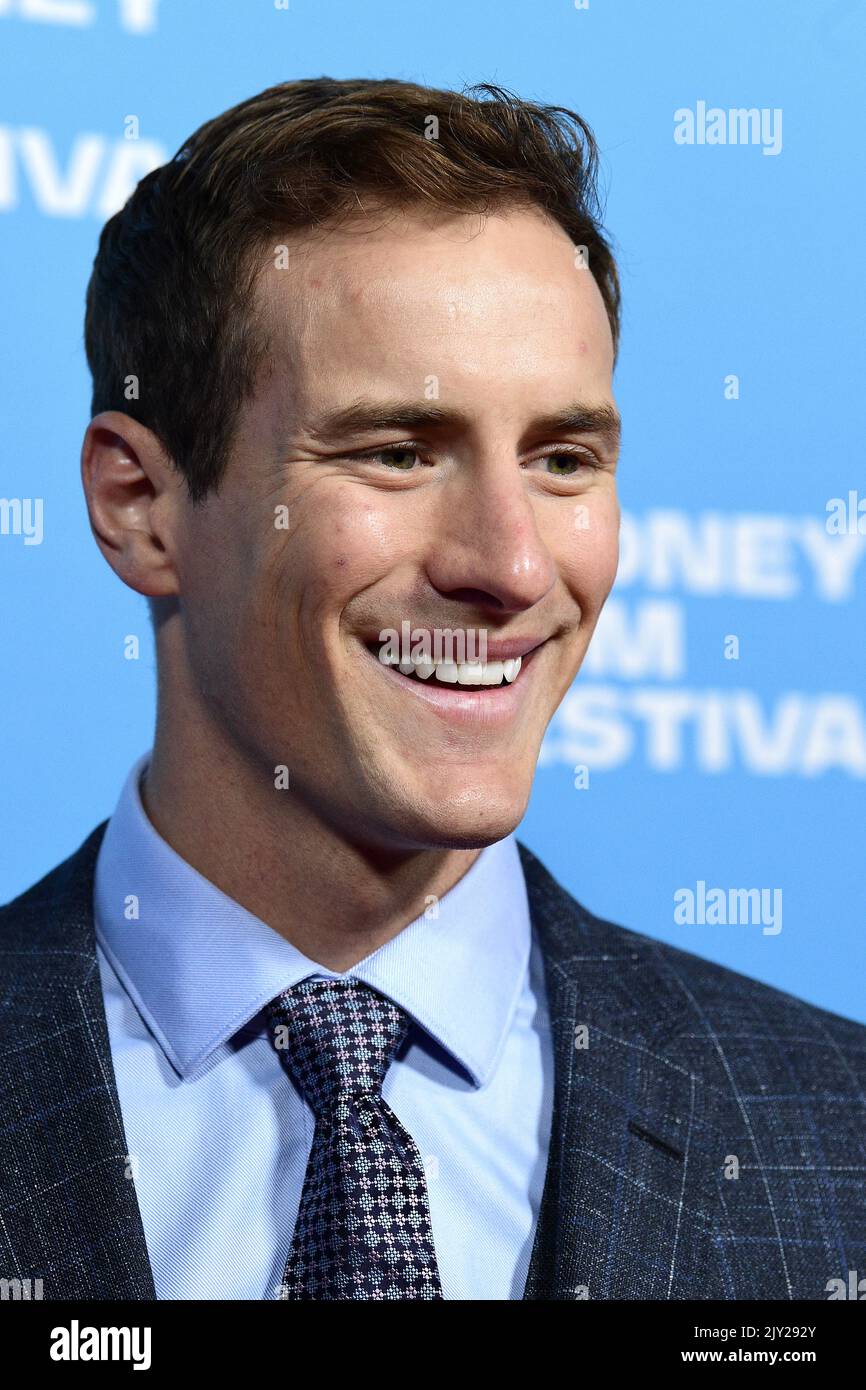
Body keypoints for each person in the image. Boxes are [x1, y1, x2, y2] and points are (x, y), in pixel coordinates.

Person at [1, 77, 863, 1302]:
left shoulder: (837, 1143)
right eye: (397, 453)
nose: (510, 567)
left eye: (562, 460)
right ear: (140, 506)